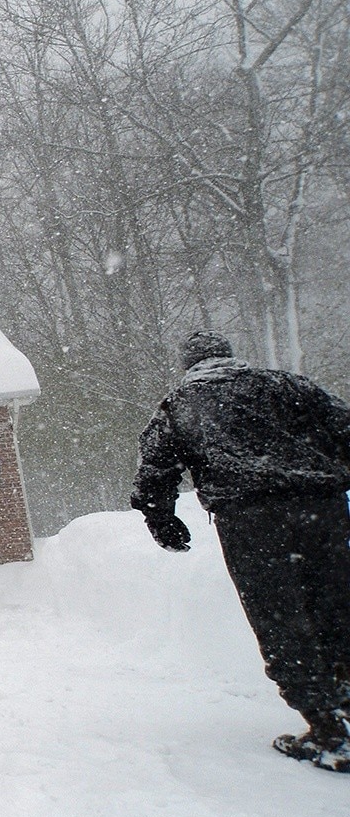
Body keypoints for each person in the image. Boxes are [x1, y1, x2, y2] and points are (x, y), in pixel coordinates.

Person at [132, 331, 350, 773]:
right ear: (229, 357)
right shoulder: (288, 386)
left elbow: (154, 470)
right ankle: (344, 698)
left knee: (280, 618)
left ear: (188, 363)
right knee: (337, 605)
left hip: (252, 522)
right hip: (320, 508)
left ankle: (328, 729)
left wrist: (162, 520)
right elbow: (344, 426)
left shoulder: (180, 406)